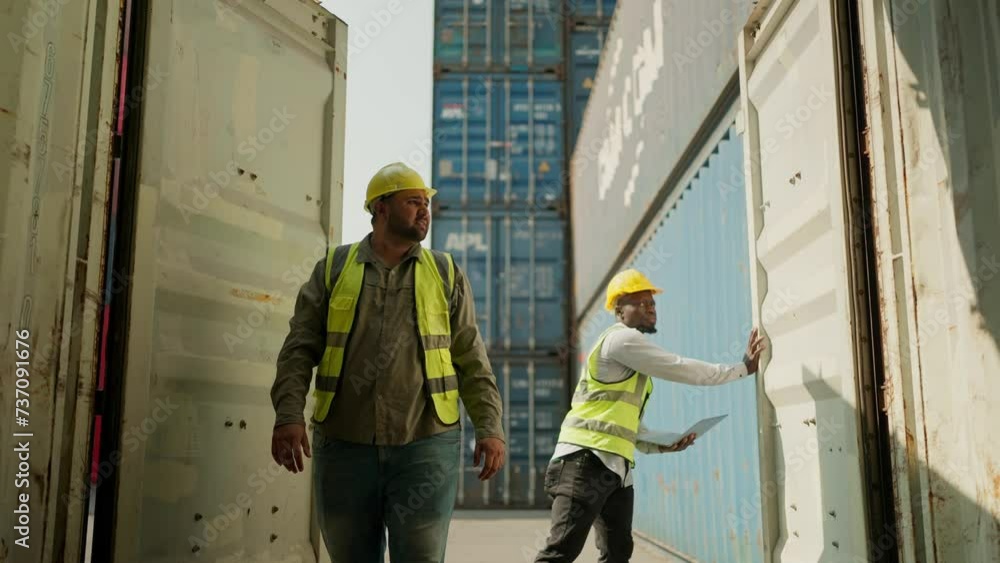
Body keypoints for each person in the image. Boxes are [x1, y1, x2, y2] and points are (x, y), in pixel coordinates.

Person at [269, 162, 506, 563]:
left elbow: (471, 359)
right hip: (345, 445)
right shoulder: (334, 269)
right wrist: (288, 413)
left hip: (426, 445)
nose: (424, 211)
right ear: (380, 208)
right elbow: (299, 347)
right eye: (413, 202)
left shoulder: (445, 272)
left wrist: (491, 426)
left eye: (426, 203)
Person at [535, 269, 766, 563]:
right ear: (619, 310)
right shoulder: (621, 340)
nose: (650, 308)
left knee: (618, 554)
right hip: (583, 461)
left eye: (652, 303)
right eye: (640, 302)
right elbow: (679, 367)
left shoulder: (630, 360)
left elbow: (628, 427)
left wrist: (664, 443)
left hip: (615, 469)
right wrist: (740, 368)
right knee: (560, 552)